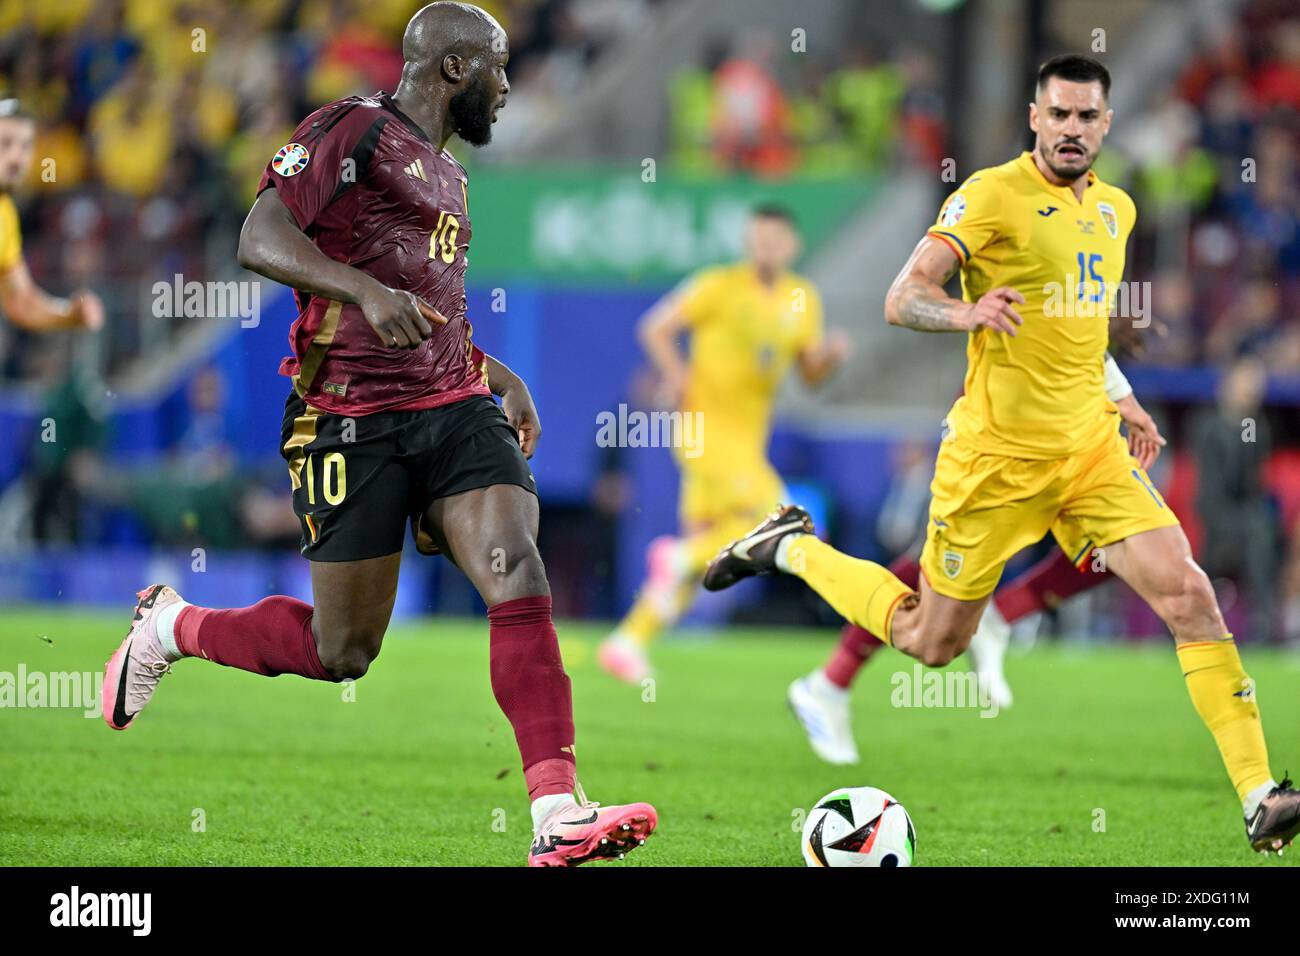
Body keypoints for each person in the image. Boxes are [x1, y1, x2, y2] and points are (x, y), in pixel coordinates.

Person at [101, 1, 656, 868]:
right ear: (453, 68)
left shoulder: (453, 176)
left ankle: (555, 811)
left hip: (453, 406)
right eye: (499, 68)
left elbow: (429, 312)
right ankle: (173, 628)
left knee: (515, 564)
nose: (508, 87)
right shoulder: (351, 129)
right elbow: (259, 235)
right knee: (343, 651)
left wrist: (495, 373)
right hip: (347, 417)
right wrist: (361, 289)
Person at [704, 54, 1299, 854]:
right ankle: (791, 548)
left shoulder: (1116, 210)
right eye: (1059, 115)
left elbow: (1076, 325)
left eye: (1086, 117)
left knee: (1190, 595)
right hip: (994, 463)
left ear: (1106, 125)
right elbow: (903, 297)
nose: (1071, 129)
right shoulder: (989, 195)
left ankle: (1260, 794)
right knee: (932, 642)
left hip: (1089, 452)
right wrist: (967, 313)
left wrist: (1121, 393)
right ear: (1035, 117)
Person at [789, 355, 1166, 764]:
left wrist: (1119, 386)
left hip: (1077, 431)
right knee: (932, 588)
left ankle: (1001, 616)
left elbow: (1087, 338)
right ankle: (829, 674)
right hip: (1001, 429)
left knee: (1124, 545)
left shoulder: (1094, 327)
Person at [597, 203, 848, 683]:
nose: (766, 248)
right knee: (780, 515)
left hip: (747, 442)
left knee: (706, 555)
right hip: (705, 432)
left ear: (792, 246)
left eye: (775, 240)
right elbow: (655, 327)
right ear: (748, 243)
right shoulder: (719, 286)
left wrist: (830, 356)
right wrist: (678, 376)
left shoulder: (801, 298)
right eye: (758, 239)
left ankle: (629, 640)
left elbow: (810, 373)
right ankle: (678, 557)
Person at [0, 96, 104, 333]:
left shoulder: (5, 214)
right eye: (5, 143)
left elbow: (20, 301)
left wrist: (69, 315)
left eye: (25, 146)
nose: (17, 158)